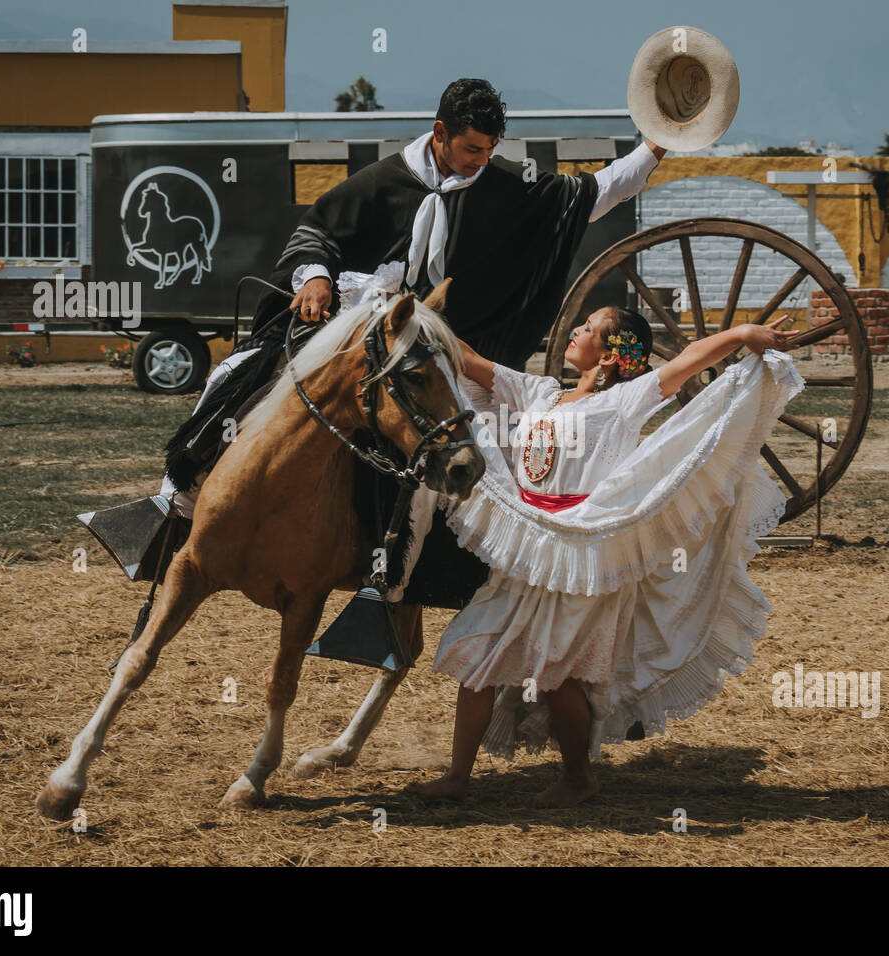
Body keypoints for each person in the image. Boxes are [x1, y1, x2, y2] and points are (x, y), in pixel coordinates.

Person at [160, 79, 665, 529]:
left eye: (489, 149)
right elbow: (318, 232)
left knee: (445, 443)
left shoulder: (503, 186)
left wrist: (659, 142)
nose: (480, 160)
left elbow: (593, 192)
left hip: (436, 350)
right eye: (471, 148)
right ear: (440, 131)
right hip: (353, 332)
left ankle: (398, 568)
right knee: (234, 372)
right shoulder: (383, 181)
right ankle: (174, 499)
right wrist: (314, 277)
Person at [405, 305, 804, 807]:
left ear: (614, 354)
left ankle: (575, 778)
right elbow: (470, 361)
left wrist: (744, 332)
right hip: (528, 548)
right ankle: (460, 777)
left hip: (583, 554)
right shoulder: (539, 393)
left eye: (589, 328)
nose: (574, 330)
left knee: (557, 675)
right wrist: (415, 313)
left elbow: (690, 359)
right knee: (473, 647)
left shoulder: (623, 401)